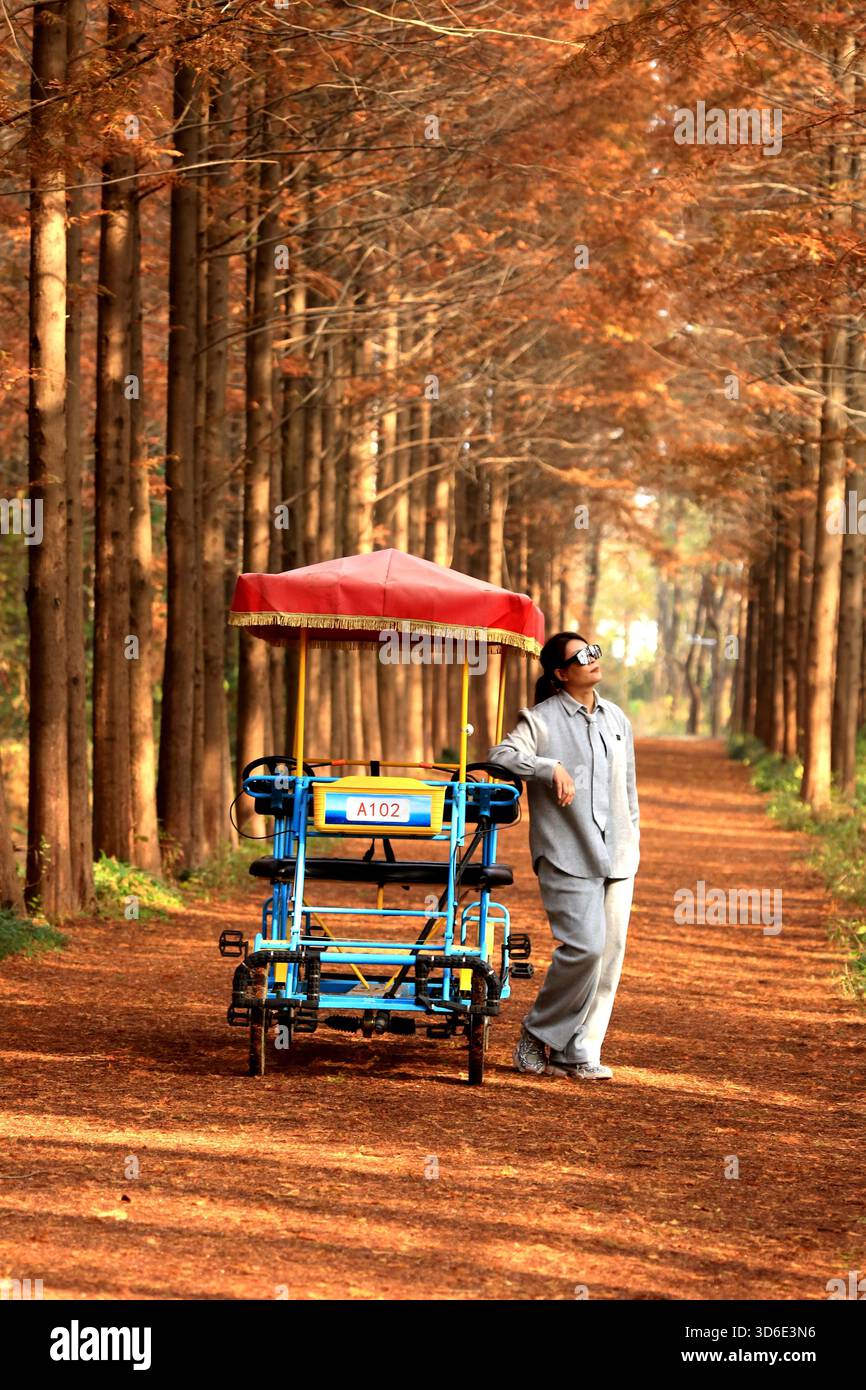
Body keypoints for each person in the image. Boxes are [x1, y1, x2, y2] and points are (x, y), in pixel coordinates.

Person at [487, 632, 639, 1080]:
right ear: (559, 673)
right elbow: (501, 755)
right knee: (585, 949)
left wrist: (633, 838)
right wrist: (547, 766)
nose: (593, 660)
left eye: (594, 651)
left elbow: (628, 789)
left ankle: (580, 1051)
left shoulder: (616, 718)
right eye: (581, 656)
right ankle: (537, 1034)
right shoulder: (541, 720)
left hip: (619, 856)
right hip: (567, 853)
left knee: (608, 958)